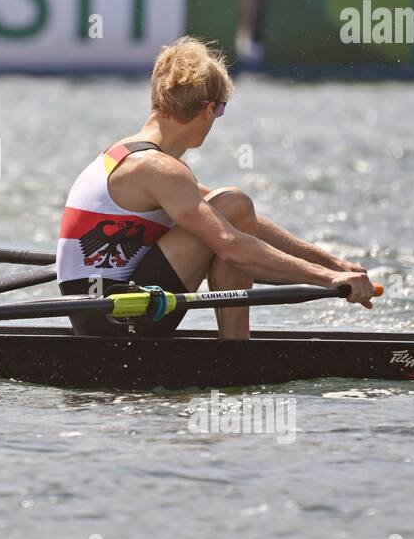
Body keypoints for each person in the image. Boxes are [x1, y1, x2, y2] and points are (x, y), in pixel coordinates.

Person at [56, 37, 376, 339]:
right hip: (116, 323)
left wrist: (334, 264)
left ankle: (235, 347)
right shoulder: (160, 170)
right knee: (233, 206)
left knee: (232, 206)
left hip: (103, 310)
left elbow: (236, 220)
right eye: (220, 110)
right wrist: (328, 280)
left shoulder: (127, 155)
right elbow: (230, 245)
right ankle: (236, 352)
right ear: (209, 109)